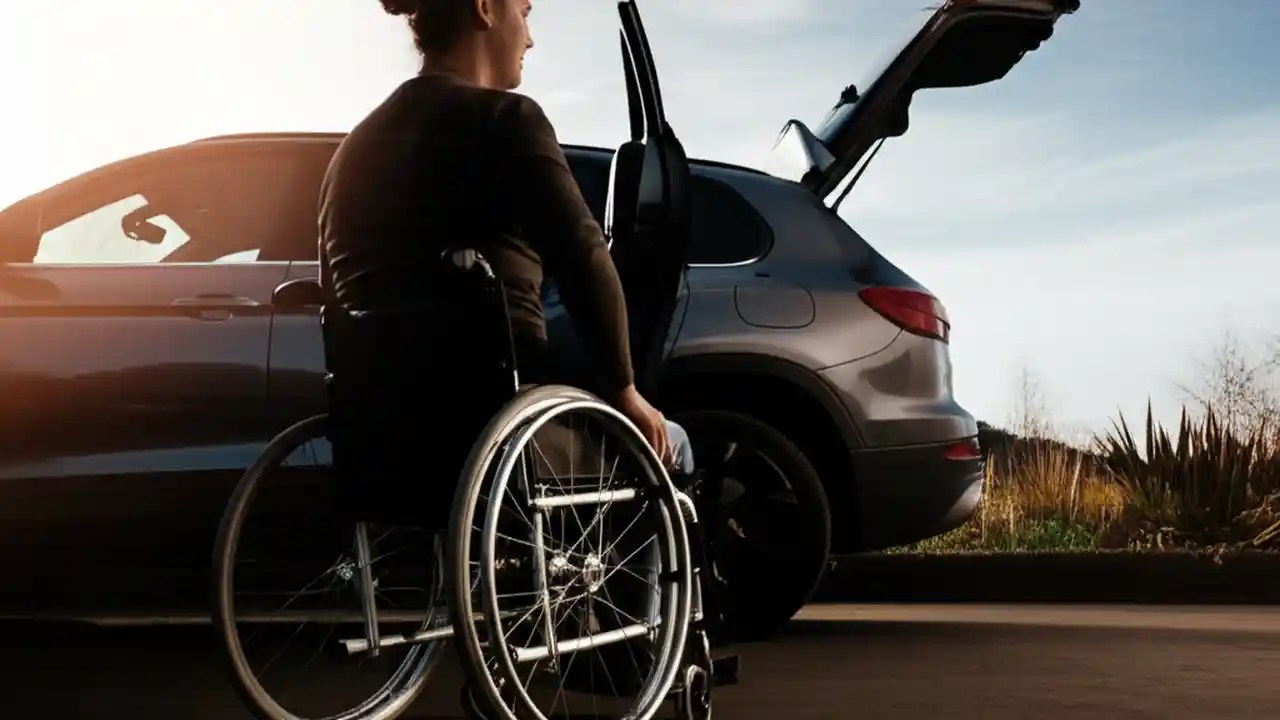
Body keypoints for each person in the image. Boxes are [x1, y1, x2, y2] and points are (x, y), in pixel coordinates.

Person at [319, 0, 694, 474]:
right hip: (496, 431)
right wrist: (625, 391)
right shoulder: (506, 120)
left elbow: (335, 294)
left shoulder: (351, 153)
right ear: (484, 8)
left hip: (384, 436)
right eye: (525, 12)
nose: (530, 38)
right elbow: (585, 259)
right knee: (672, 442)